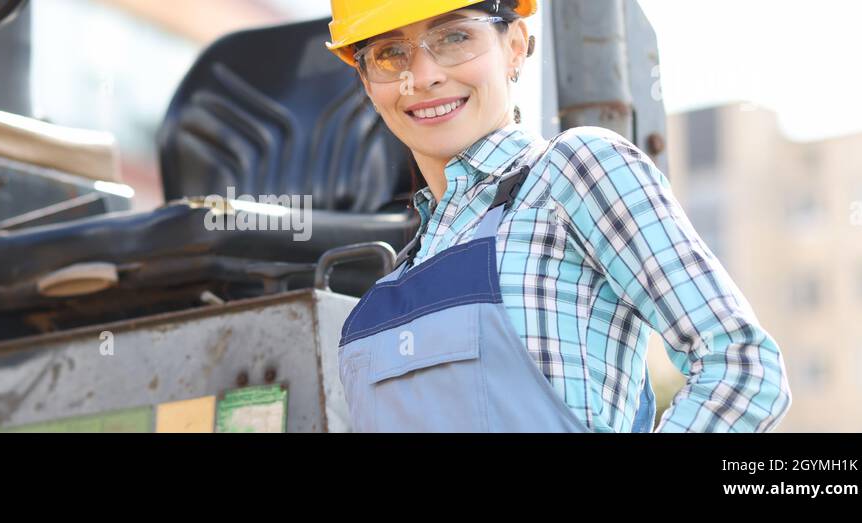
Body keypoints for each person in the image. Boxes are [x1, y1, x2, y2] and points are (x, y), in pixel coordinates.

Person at [326, 0, 791, 432]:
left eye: (454, 38)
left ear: (512, 48)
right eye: (390, 53)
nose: (423, 75)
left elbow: (742, 365)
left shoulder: (572, 172)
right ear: (368, 83)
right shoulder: (391, 282)